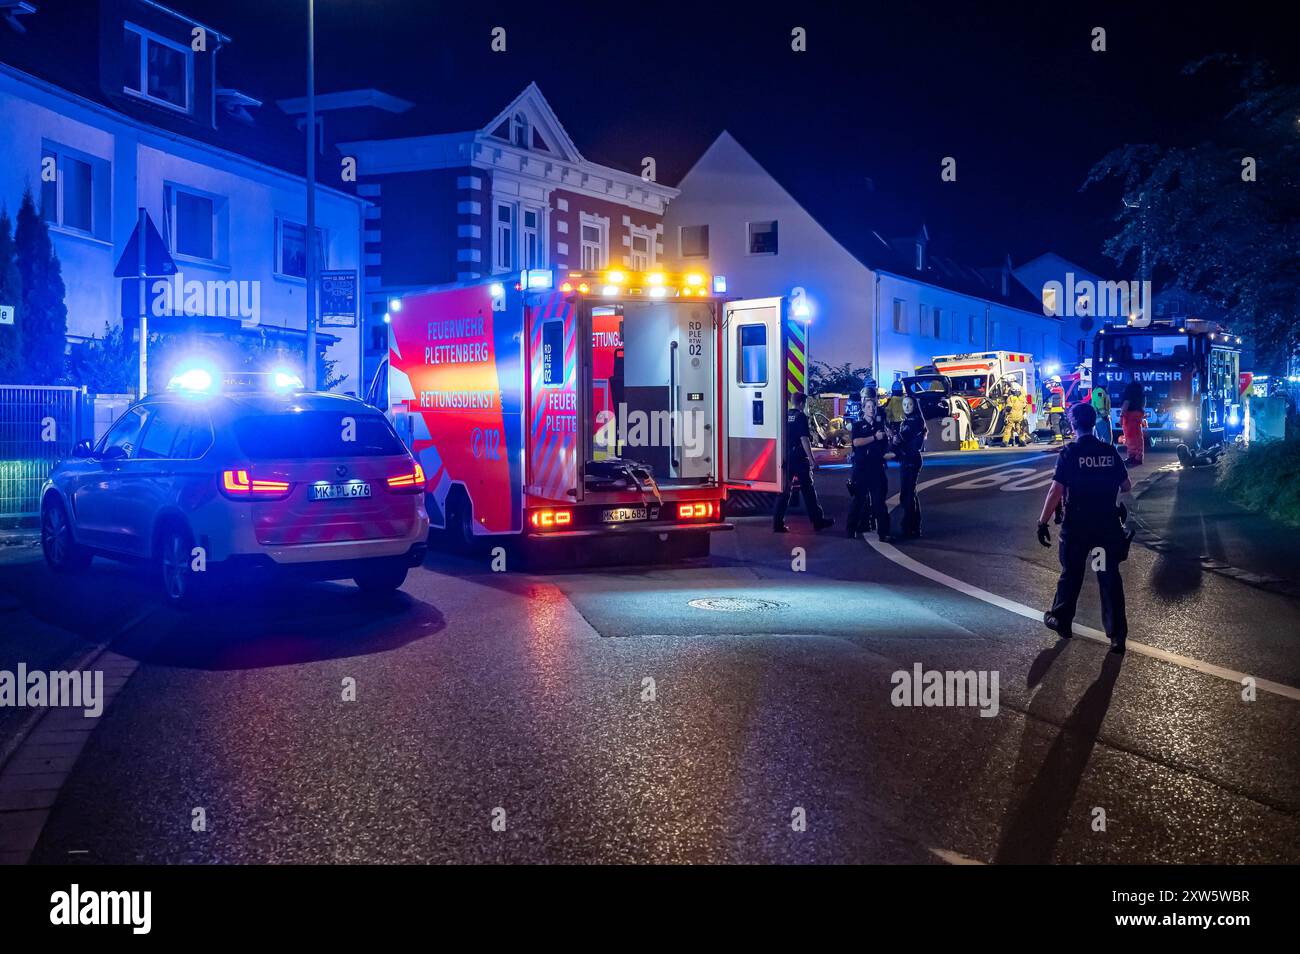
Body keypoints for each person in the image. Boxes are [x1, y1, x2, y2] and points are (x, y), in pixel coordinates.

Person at [1036, 402, 1133, 654]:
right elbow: (1126, 486)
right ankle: (1116, 636)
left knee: (1073, 573)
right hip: (1105, 525)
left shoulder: (1070, 453)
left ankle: (1062, 620)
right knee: (1107, 576)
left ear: (1074, 423)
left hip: (1077, 527)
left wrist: (1042, 522)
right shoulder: (1109, 451)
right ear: (1092, 422)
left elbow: (1055, 490)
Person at [774, 391, 835, 533]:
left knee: (784, 491)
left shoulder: (786, 415)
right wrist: (812, 460)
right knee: (808, 490)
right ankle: (817, 521)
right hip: (799, 459)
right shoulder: (801, 416)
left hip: (787, 457)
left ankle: (777, 523)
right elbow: (804, 439)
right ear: (802, 403)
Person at [847, 388, 892, 541]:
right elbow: (856, 442)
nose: (871, 409)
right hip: (861, 468)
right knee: (858, 500)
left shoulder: (881, 426)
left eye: (873, 407)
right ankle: (851, 529)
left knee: (879, 502)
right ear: (863, 408)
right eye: (868, 407)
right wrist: (874, 437)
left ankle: (884, 533)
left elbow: (885, 445)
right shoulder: (858, 425)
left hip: (876, 468)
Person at [891, 394, 928, 538]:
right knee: (909, 494)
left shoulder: (915, 421)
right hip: (907, 459)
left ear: (915, 406)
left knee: (907, 495)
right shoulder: (906, 421)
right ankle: (913, 527)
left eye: (910, 404)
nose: (907, 407)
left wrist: (894, 440)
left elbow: (900, 439)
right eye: (905, 404)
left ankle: (909, 527)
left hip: (912, 460)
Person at [1119, 380, 1145, 465]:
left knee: (1130, 437)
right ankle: (1138, 456)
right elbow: (1143, 403)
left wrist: (1121, 416)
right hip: (1138, 414)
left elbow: (1126, 403)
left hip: (1129, 415)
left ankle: (1132, 456)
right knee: (1138, 436)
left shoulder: (1129, 391)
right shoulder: (1140, 391)